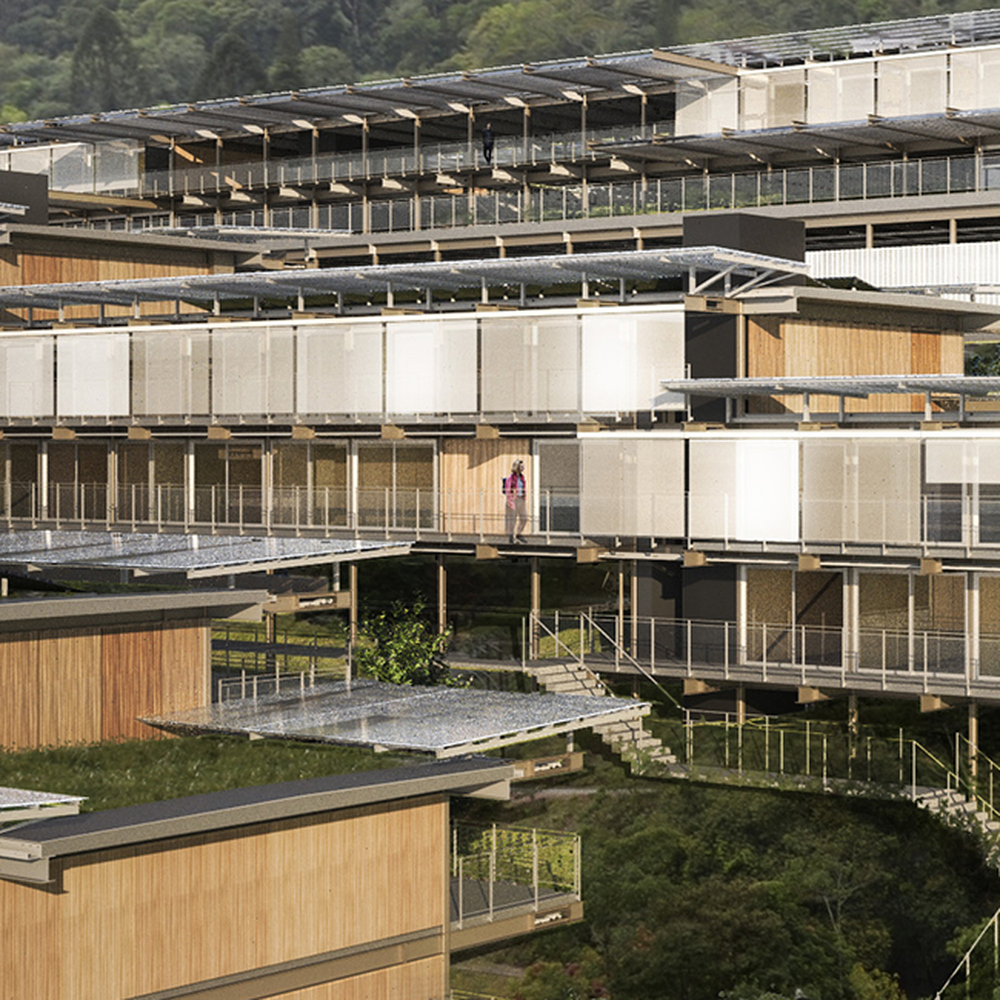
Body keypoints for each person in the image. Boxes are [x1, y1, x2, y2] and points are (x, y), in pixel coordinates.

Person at [505, 458, 528, 543]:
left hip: (521, 499)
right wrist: (510, 501)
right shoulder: (511, 478)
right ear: (517, 467)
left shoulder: (522, 477)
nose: (523, 468)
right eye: (521, 466)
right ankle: (511, 537)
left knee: (524, 518)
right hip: (514, 499)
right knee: (512, 519)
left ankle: (518, 533)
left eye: (523, 466)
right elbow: (508, 490)